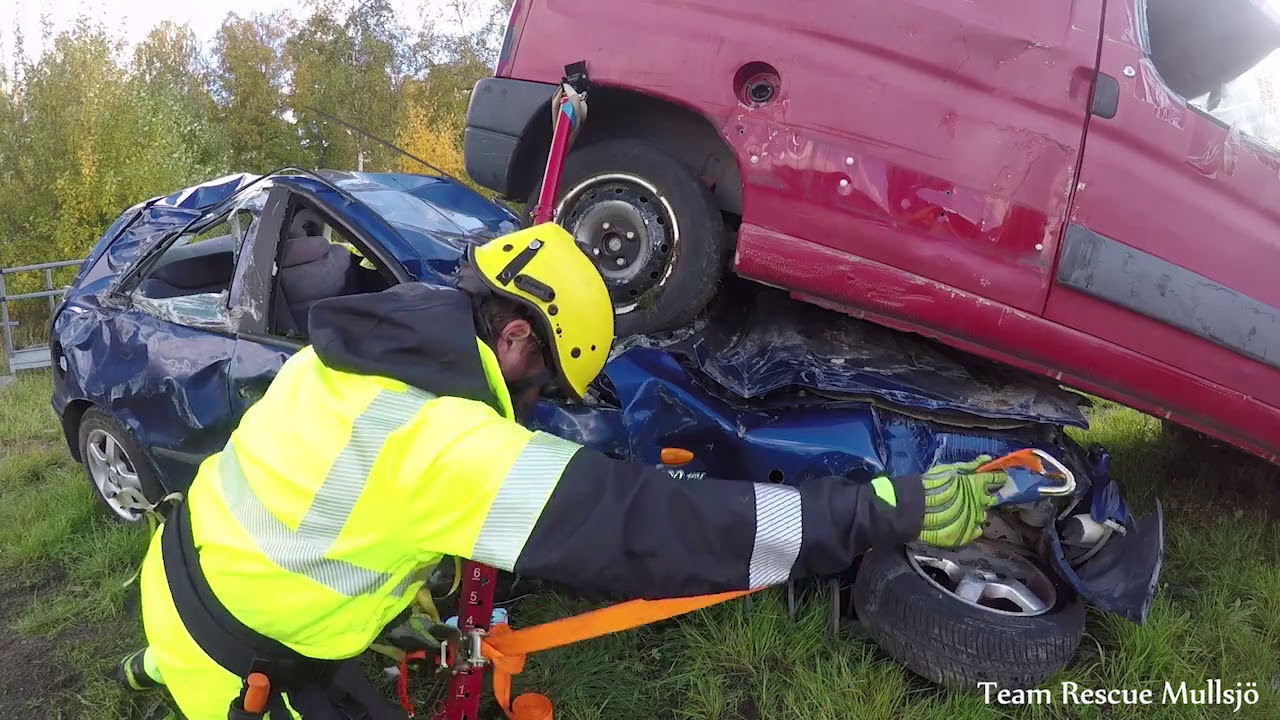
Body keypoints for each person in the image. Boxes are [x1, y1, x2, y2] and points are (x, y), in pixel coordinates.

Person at [119, 222, 1009, 719]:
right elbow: (653, 527)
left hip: (175, 575)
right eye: (546, 381)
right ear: (514, 336)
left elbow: (328, 503)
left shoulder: (358, 350)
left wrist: (395, 606)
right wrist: (875, 513)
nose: (542, 405)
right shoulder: (446, 446)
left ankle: (146, 672)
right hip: (239, 666)